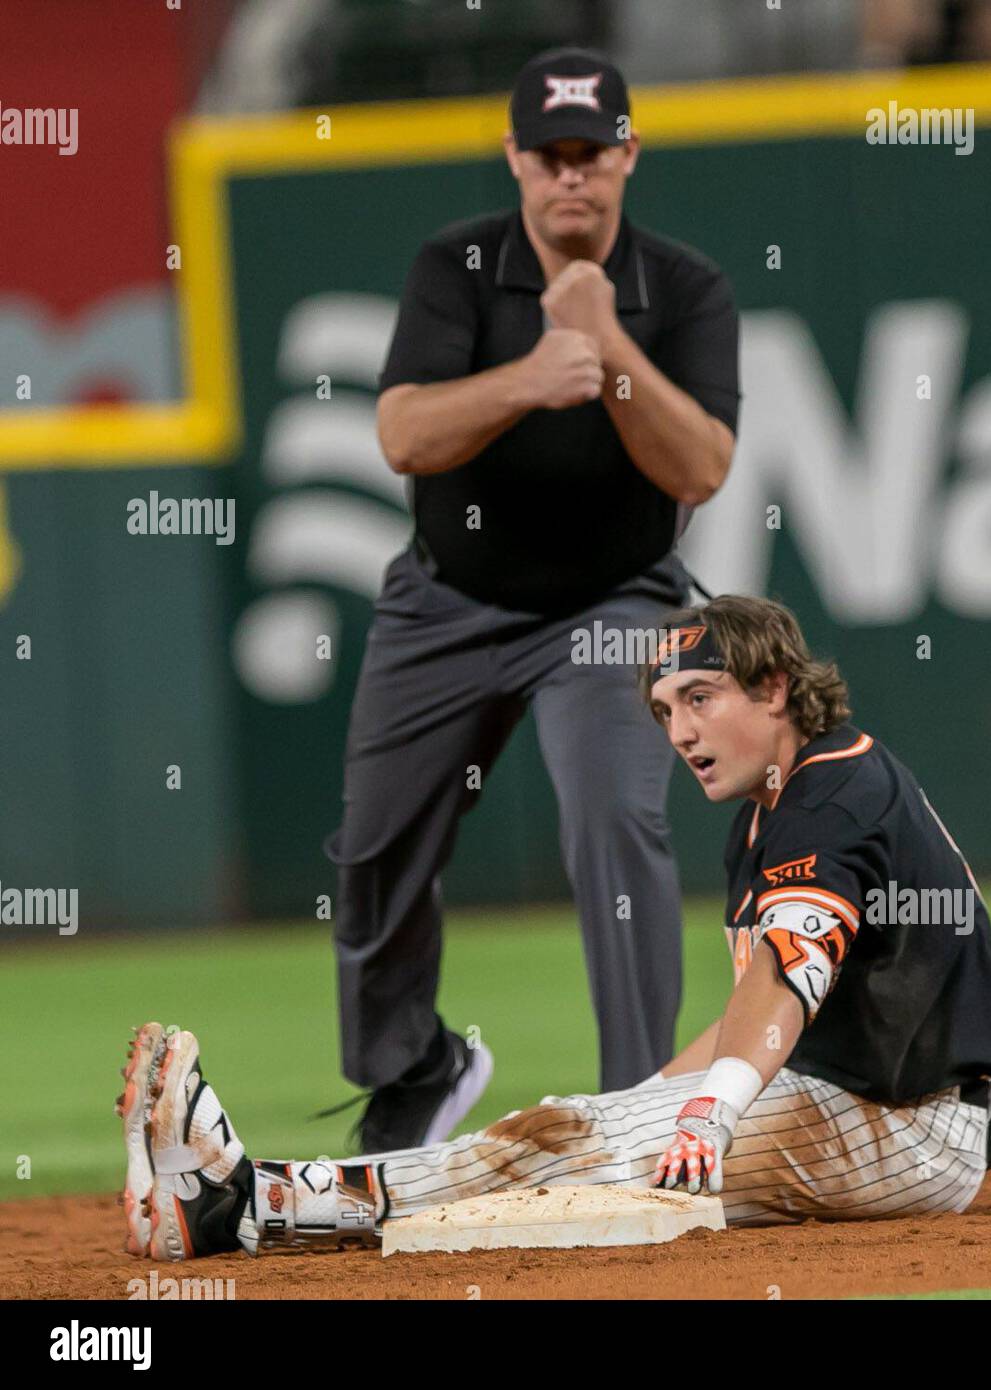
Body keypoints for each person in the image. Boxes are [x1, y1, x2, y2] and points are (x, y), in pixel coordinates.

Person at [118, 595, 991, 1263]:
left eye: (699, 696)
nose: (678, 729)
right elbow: (757, 1008)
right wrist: (654, 1102)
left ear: (776, 687)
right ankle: (245, 1205)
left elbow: (785, 974)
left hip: (901, 1131)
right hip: (869, 1119)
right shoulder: (780, 807)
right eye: (664, 708)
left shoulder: (831, 794)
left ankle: (248, 1205)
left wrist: (703, 1110)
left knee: (565, 1139)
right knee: (577, 1135)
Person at [326, 44, 740, 1152]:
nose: (571, 175)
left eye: (591, 152)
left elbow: (698, 468)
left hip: (613, 605)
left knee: (614, 815)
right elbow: (403, 434)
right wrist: (530, 377)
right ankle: (416, 1066)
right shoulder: (454, 268)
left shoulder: (683, 287)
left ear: (627, 155)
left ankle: (641, 1113)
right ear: (513, 157)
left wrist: (606, 350)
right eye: (549, 154)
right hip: (445, 603)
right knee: (372, 848)